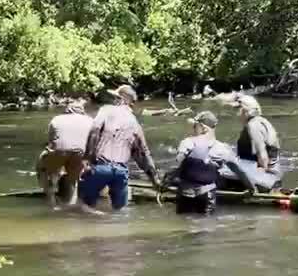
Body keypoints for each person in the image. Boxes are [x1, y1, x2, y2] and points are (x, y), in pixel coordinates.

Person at [81, 85, 160, 213]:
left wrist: (86, 158)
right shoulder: (134, 122)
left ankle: (98, 217)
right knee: (120, 210)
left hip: (100, 168)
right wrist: (154, 179)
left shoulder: (106, 110)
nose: (114, 99)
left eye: (116, 97)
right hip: (120, 171)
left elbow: (94, 130)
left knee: (85, 206)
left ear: (122, 100)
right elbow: (142, 153)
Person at [162, 111, 235, 214]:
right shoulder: (222, 149)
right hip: (207, 194)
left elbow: (178, 161)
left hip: (185, 193)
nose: (193, 129)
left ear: (203, 127)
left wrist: (168, 178)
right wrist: (251, 188)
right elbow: (238, 169)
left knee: (183, 225)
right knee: (205, 225)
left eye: (195, 126)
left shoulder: (188, 142)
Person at [35, 99, 94, 209]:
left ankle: (51, 201)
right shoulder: (90, 121)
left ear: (67, 110)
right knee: (74, 179)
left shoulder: (57, 119)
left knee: (43, 168)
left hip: (59, 152)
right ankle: (71, 204)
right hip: (80, 153)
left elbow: (51, 142)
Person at [222, 94, 282, 192]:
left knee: (216, 170)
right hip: (273, 176)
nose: (236, 113)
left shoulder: (253, 126)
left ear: (245, 110)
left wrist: (262, 175)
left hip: (263, 179)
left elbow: (262, 153)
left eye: (237, 110)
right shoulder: (263, 121)